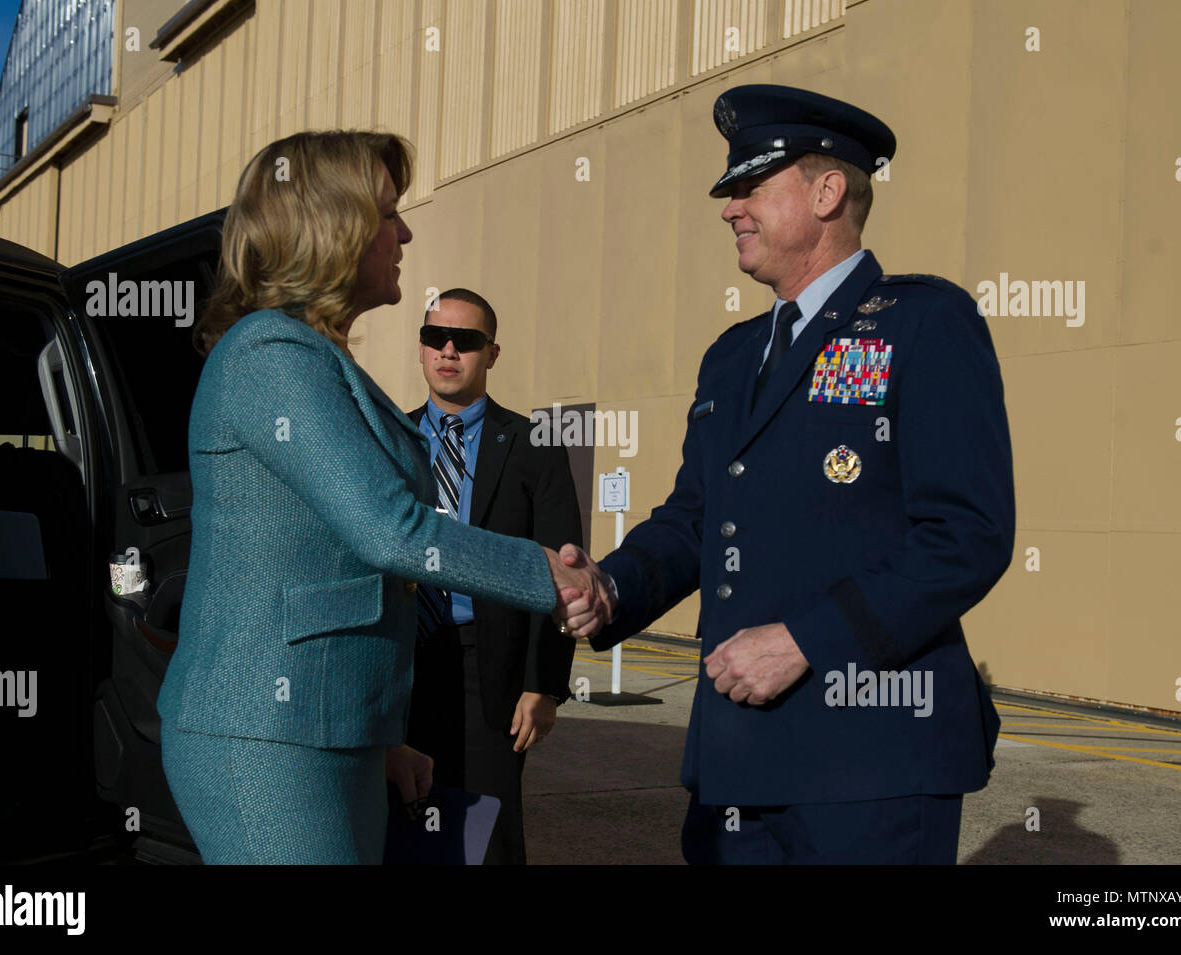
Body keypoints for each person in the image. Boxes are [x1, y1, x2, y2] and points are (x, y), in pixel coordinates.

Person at [561, 85, 1014, 864]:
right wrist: (612, 586)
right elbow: (694, 518)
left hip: (869, 760)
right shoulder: (733, 356)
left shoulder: (925, 323)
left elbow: (966, 536)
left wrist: (808, 639)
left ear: (828, 190)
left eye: (750, 186)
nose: (730, 208)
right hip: (737, 757)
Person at [156, 130, 608, 865]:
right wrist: (545, 575)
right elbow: (388, 531)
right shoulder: (272, 355)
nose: (404, 232)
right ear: (331, 226)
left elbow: (337, 567)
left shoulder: (320, 360)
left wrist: (380, 734)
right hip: (265, 735)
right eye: (387, 212)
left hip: (333, 728)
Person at [405, 288, 581, 865]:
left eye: (467, 340)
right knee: (406, 824)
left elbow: (563, 571)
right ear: (423, 348)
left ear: (493, 353)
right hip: (402, 659)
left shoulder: (536, 446)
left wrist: (545, 683)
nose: (449, 349)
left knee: (489, 830)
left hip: (493, 665)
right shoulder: (387, 441)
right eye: (436, 337)